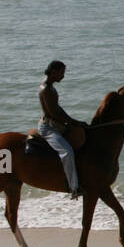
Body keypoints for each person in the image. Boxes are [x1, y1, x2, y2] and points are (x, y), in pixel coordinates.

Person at [38, 60, 83, 198]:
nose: (63, 76)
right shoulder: (46, 89)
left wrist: (73, 122)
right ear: (53, 72)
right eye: (61, 73)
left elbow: (58, 109)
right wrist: (74, 122)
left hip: (55, 124)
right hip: (48, 128)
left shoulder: (50, 87)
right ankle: (74, 188)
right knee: (67, 151)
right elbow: (54, 113)